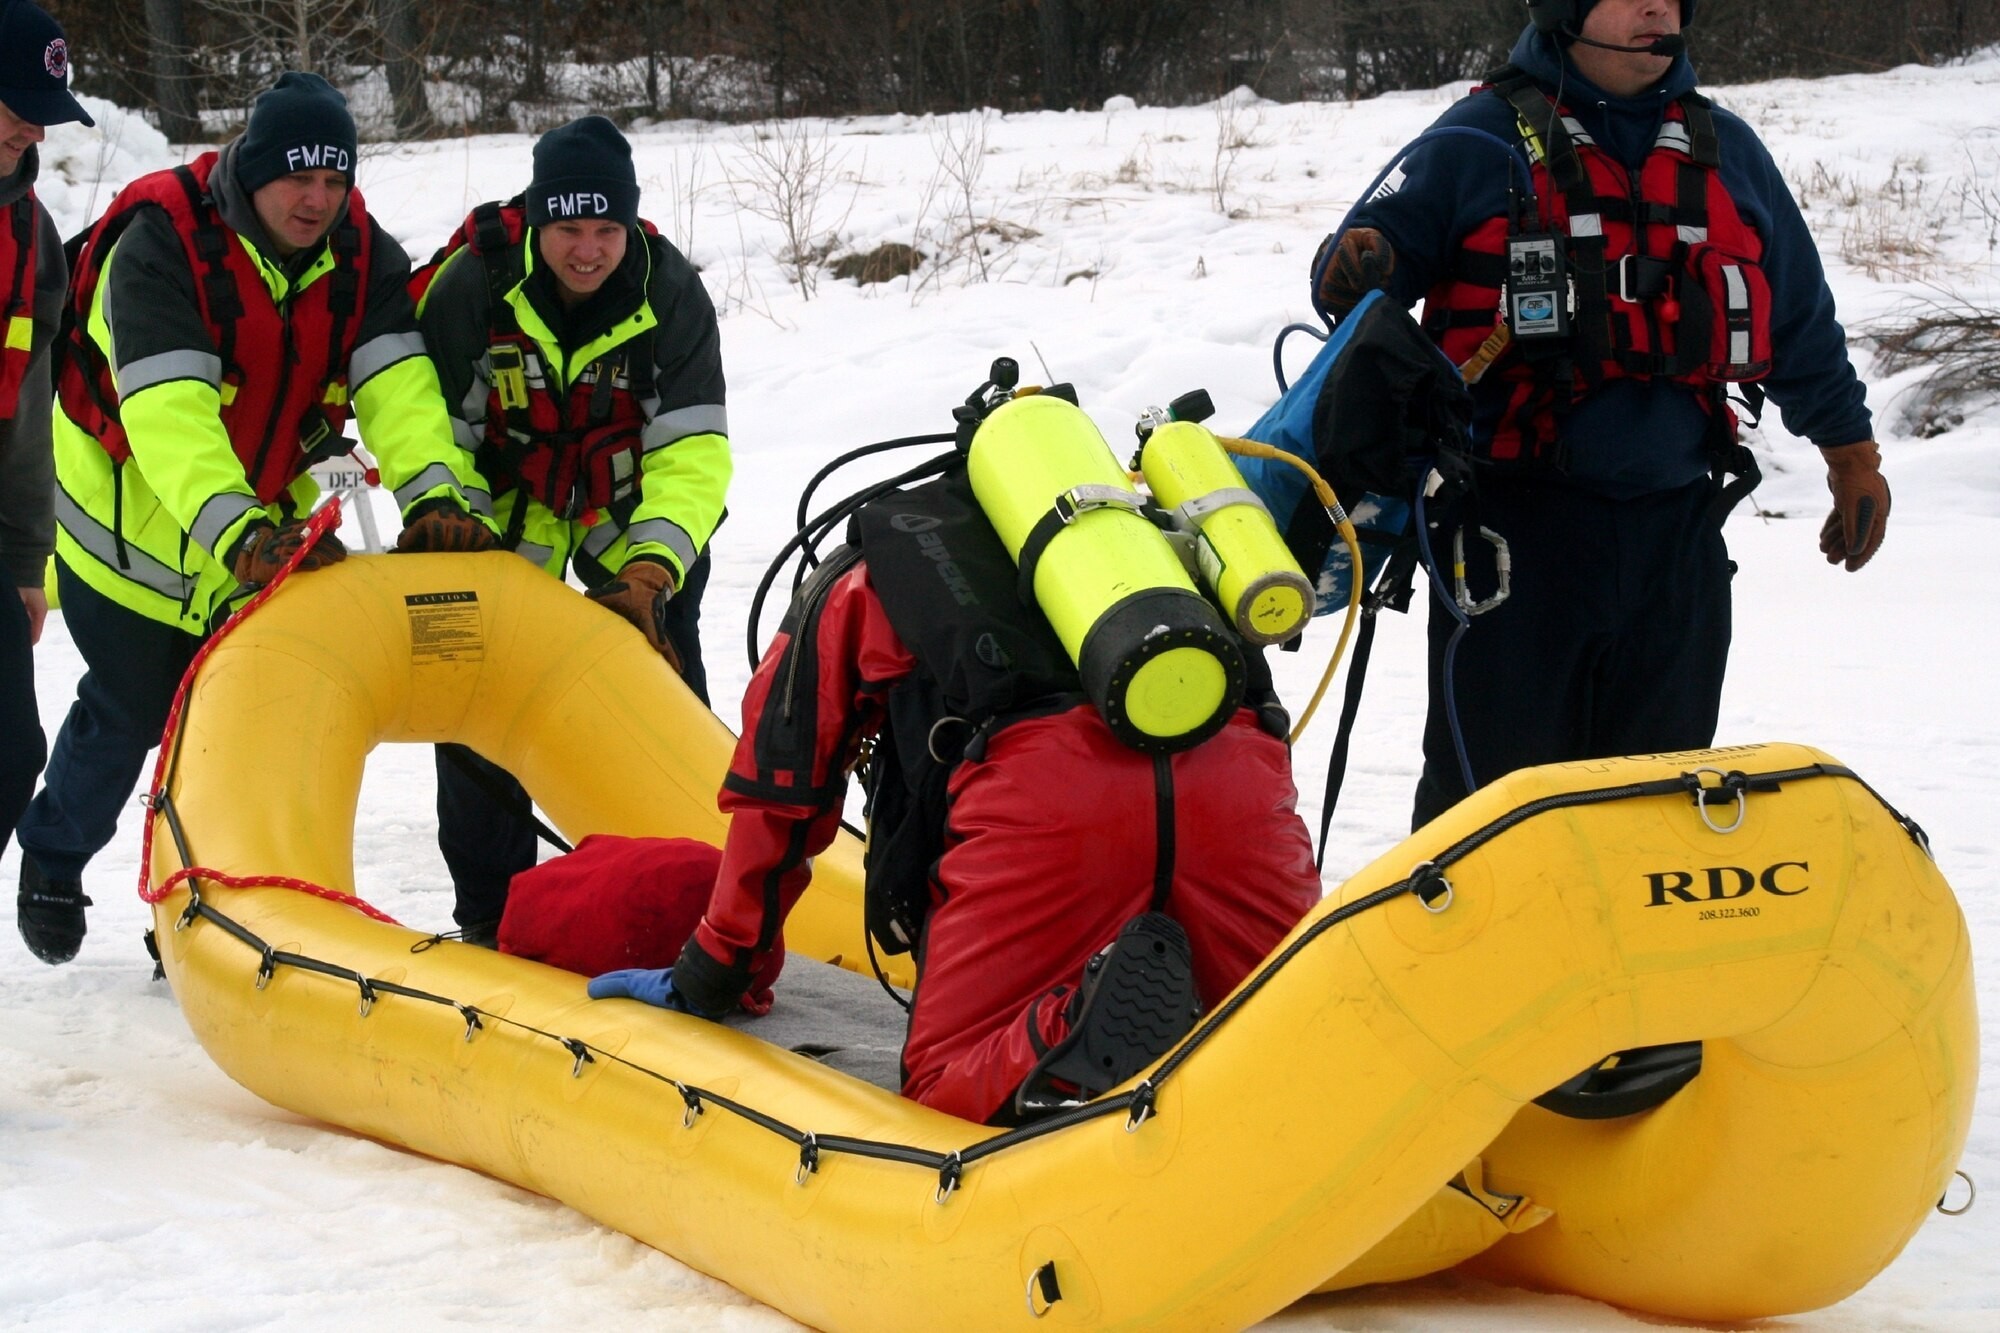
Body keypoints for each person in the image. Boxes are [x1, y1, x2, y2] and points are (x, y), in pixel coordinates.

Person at [587, 457, 1320, 1126]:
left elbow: (780, 784)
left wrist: (718, 966)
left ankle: (1073, 1029)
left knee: (941, 1085)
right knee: (1305, 1029)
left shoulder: (883, 561)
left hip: (1044, 803)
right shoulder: (1154, 541)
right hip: (1239, 791)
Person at [1312, 0, 1888, 829]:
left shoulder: (1730, 156)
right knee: (1491, 819)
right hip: (1509, 542)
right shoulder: (1474, 138)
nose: (1659, 7)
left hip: (1676, 545)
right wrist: (1354, 263)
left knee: (1657, 815)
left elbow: (1799, 321)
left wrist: (1851, 457)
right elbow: (1352, 280)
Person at [14, 71, 492, 965]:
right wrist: (236, 532)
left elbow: (400, 390)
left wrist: (435, 496)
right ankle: (52, 855)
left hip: (256, 536)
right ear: (252, 170)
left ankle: (196, 908)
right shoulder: (160, 244)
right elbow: (172, 417)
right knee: (137, 705)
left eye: (336, 180)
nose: (318, 200)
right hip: (128, 532)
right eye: (298, 179)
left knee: (240, 717)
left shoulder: (358, 254)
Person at [414, 115, 730, 945]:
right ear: (535, 220)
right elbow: (434, 439)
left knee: (664, 703)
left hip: (625, 528)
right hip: (501, 522)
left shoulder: (670, 294)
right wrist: (459, 534)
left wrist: (654, 574)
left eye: (606, 230)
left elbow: (693, 453)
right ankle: (491, 914)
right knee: (476, 708)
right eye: (567, 229)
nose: (587, 250)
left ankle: (694, 902)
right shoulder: (469, 289)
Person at [2, 1, 90, 897]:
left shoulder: (33, 235)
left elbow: (26, 408)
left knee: (12, 749)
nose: (31, 126)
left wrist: (28, 558)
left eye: (43, 109)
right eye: (14, 102)